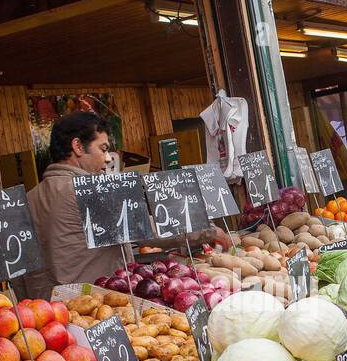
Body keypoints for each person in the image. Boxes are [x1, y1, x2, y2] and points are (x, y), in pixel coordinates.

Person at [24, 111, 228, 297]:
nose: (106, 159)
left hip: (48, 315)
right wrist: (208, 231)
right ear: (77, 146)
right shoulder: (89, 190)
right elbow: (149, 229)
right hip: (94, 305)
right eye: (102, 149)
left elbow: (21, 273)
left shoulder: (28, 198)